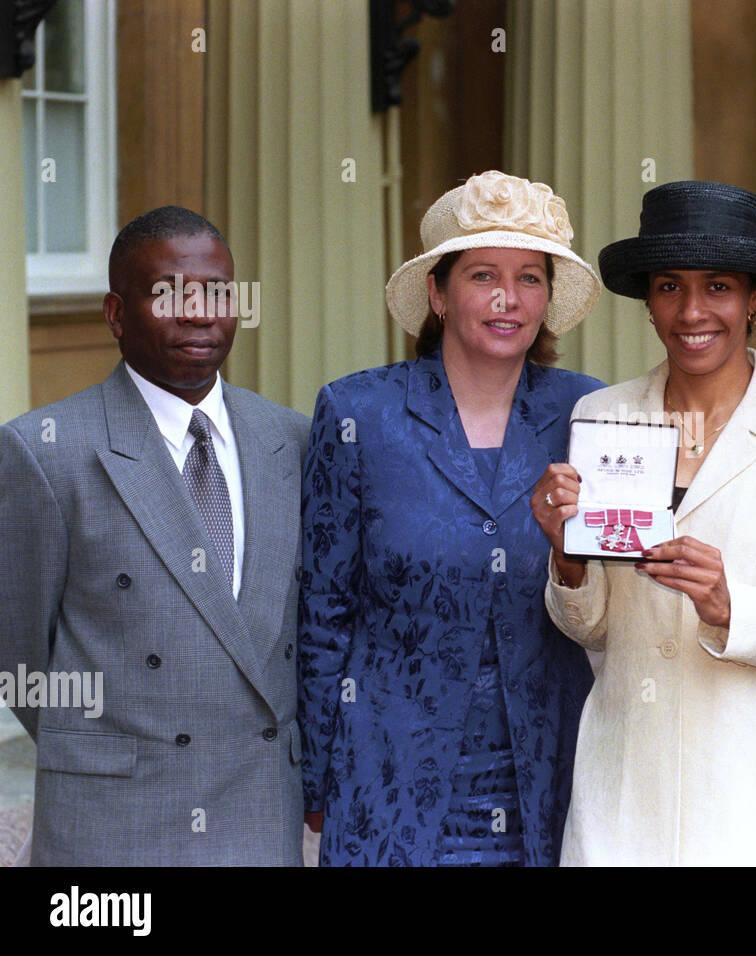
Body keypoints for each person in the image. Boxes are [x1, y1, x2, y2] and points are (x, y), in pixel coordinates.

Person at [531, 180, 756, 865]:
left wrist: (730, 607)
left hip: (752, 804)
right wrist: (566, 557)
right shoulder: (603, 419)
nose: (692, 311)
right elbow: (593, 630)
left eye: (717, 286)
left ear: (753, 301)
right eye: (669, 286)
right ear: (649, 302)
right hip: (622, 797)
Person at [298, 171, 604, 865]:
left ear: (549, 298)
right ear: (437, 293)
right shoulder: (358, 416)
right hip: (389, 783)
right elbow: (323, 613)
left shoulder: (589, 414)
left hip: (551, 777)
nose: (508, 298)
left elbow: (629, 586)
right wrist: (316, 780)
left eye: (530, 277)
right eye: (483, 275)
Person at [0, 206, 309, 865]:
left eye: (219, 293)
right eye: (170, 293)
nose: (200, 313)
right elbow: (19, 659)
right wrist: (107, 745)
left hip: (259, 814)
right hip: (114, 827)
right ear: (116, 314)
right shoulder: (45, 451)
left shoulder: (292, 439)